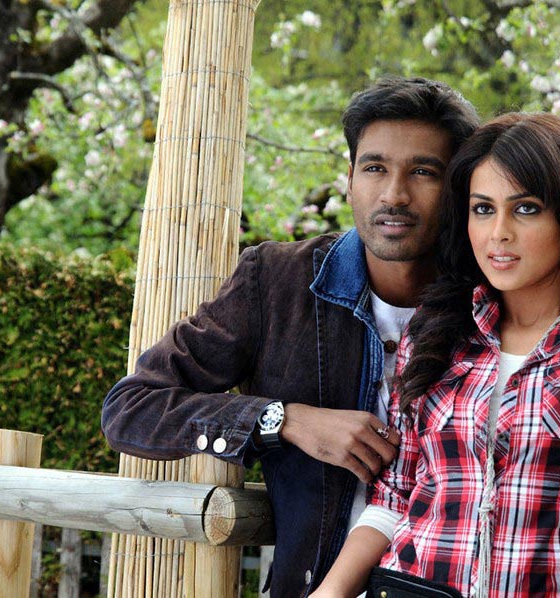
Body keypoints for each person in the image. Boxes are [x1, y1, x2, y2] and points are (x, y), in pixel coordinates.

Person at [101, 76, 480, 597]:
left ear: (457, 188)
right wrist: (283, 420)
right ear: (350, 178)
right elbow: (131, 408)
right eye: (374, 168)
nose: (394, 194)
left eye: (423, 172)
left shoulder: (491, 297)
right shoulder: (278, 282)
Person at [312, 112, 560, 597]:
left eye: (525, 208)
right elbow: (396, 495)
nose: (499, 233)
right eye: (483, 209)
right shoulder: (438, 327)